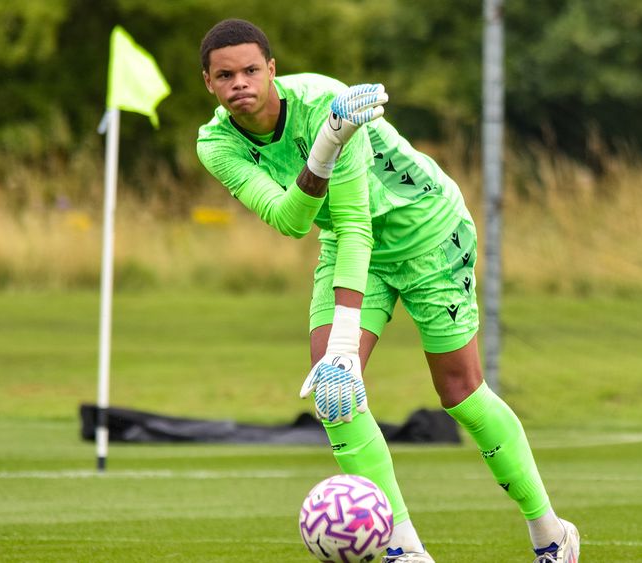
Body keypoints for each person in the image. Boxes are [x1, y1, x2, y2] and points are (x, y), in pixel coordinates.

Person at [195, 18, 580, 563]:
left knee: (460, 393)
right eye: (225, 74)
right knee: (335, 394)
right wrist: (323, 151)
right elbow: (291, 221)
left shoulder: (328, 101)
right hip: (354, 249)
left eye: (252, 70)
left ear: (272, 70)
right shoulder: (215, 143)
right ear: (208, 84)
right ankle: (405, 552)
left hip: (427, 232)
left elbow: (354, 221)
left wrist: (345, 341)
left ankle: (551, 534)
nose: (241, 83)